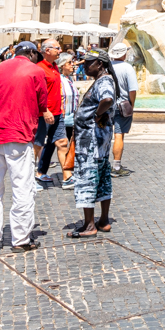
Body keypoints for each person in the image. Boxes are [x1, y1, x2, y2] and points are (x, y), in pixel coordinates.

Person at [0, 41, 51, 253]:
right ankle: (20, 240)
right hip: (19, 134)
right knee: (22, 188)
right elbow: (42, 103)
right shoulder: (35, 71)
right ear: (32, 53)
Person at [68, 50, 118, 237]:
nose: (85, 65)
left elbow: (107, 99)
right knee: (103, 177)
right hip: (99, 141)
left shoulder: (104, 81)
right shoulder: (104, 79)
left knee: (86, 179)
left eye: (89, 63)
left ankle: (89, 225)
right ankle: (103, 220)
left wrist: (95, 115)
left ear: (99, 64)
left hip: (91, 142)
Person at [35, 38, 67, 182]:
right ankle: (32, 175)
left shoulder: (55, 66)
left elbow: (57, 89)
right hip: (43, 114)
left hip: (58, 113)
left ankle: (67, 176)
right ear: (47, 51)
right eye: (57, 48)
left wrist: (61, 106)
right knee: (38, 145)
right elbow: (37, 93)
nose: (60, 51)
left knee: (61, 143)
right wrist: (45, 110)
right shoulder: (39, 68)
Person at [108, 41, 138, 175]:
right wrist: (132, 104)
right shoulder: (128, 68)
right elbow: (132, 90)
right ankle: (116, 166)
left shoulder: (107, 67)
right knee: (119, 135)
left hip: (106, 105)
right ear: (124, 54)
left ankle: (102, 163)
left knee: (104, 135)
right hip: (122, 106)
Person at [58, 51, 80, 188]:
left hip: (71, 118)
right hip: (62, 117)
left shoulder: (69, 79)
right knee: (62, 145)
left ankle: (68, 173)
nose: (73, 65)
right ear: (61, 65)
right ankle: (67, 176)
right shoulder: (59, 79)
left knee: (66, 145)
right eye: (69, 63)